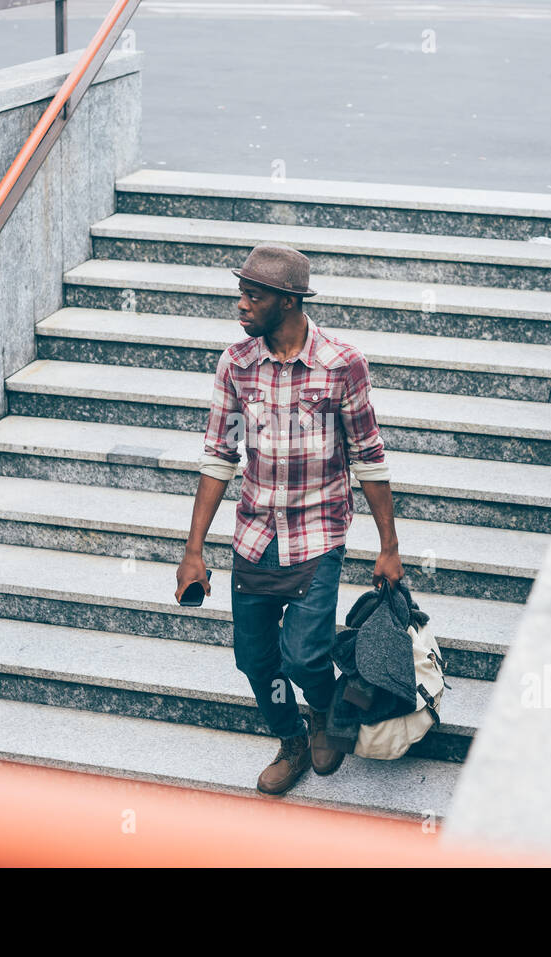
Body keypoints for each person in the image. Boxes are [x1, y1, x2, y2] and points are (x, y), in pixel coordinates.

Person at [174, 243, 405, 796]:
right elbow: (218, 455)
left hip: (318, 535)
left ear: (288, 300)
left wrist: (389, 546)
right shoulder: (237, 363)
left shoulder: (341, 365)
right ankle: (291, 737)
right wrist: (193, 550)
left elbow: (370, 459)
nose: (241, 305)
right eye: (241, 293)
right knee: (255, 659)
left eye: (254, 296)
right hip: (255, 536)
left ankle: (325, 709)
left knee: (304, 655)